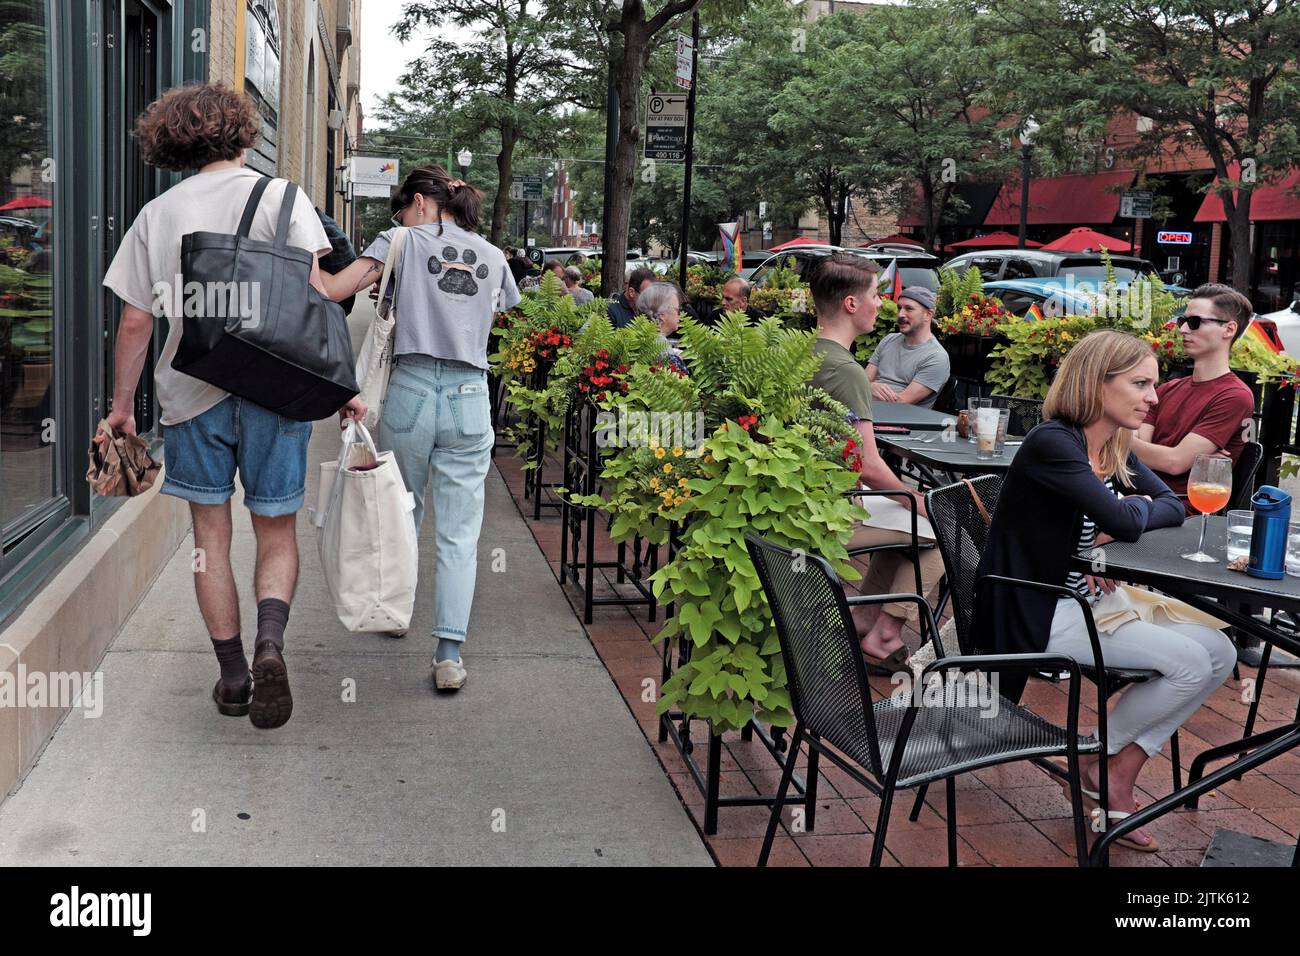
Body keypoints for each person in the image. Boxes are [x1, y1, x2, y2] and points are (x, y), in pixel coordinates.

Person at [101, 82, 365, 729]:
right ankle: (271, 642)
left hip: (192, 396)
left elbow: (136, 322)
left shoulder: (158, 214)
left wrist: (121, 409)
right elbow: (313, 298)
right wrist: (341, 386)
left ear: (170, 140)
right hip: (276, 389)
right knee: (276, 531)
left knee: (209, 539)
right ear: (244, 132)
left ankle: (233, 672)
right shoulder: (283, 198)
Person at [974, 330, 1235, 852]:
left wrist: (1107, 528)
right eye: (1140, 383)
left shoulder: (1111, 442)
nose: (1154, 398)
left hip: (1085, 597)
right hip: (1039, 607)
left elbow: (1172, 503)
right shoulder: (1055, 441)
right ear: (1096, 384)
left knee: (1221, 652)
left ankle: (1106, 763)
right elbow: (1131, 515)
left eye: (1154, 384)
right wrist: (1112, 524)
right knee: (1187, 663)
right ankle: (1102, 764)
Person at [319, 165, 521, 692]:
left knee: (402, 507)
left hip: (409, 389)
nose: (402, 218)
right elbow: (498, 314)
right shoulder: (494, 256)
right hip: (470, 396)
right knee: (460, 532)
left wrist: (303, 252)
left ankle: (398, 608)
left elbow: (332, 287)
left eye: (404, 208)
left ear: (422, 204)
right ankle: (449, 654)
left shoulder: (400, 241)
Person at [806, 253, 945, 665]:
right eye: (875, 295)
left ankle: (863, 621)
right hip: (833, 509)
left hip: (805, 498)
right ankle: (884, 637)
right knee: (939, 531)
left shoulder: (805, 354)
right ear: (851, 304)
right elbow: (868, 465)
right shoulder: (847, 371)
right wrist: (916, 499)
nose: (881, 304)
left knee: (905, 521)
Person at [1132, 284, 1256, 515]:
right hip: (1139, 496)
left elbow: (1174, 462)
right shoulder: (1167, 388)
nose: (1183, 330)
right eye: (1183, 321)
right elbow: (1143, 453)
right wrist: (1142, 449)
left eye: (1195, 322)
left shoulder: (1234, 396)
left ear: (1228, 329)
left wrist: (1117, 440)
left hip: (1183, 510)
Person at [866, 286, 950, 408]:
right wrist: (868, 387)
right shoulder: (889, 340)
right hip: (865, 410)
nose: (900, 314)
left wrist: (865, 389)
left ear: (928, 314)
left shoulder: (936, 357)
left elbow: (900, 402)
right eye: (899, 308)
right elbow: (864, 379)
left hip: (898, 421)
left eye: (909, 309)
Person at [637, 281, 688, 374]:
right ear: (662, 316)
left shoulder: (641, 339)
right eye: (677, 310)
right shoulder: (663, 352)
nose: (679, 315)